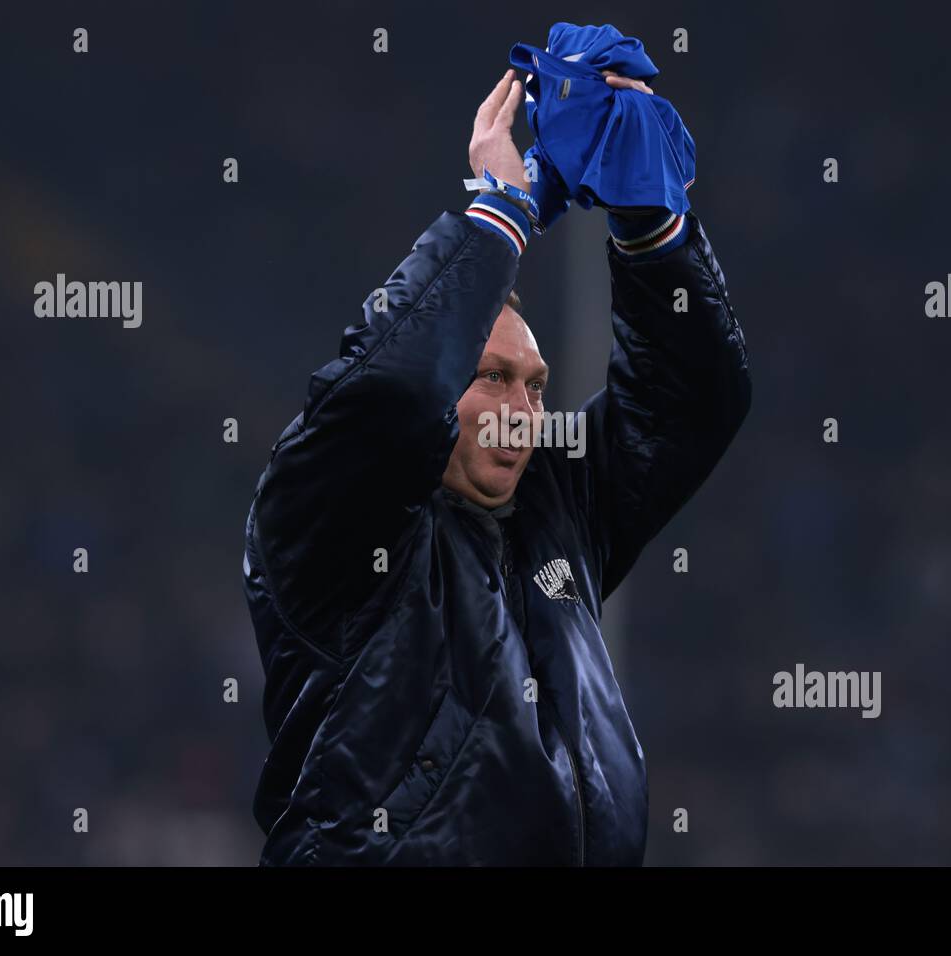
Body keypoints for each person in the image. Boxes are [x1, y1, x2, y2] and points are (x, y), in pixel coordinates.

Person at [243, 68, 751, 865]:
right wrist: (496, 219)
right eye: (493, 377)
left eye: (537, 385)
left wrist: (653, 225)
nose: (522, 407)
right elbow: (389, 389)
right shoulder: (329, 507)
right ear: (446, 379)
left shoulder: (556, 504)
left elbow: (691, 403)